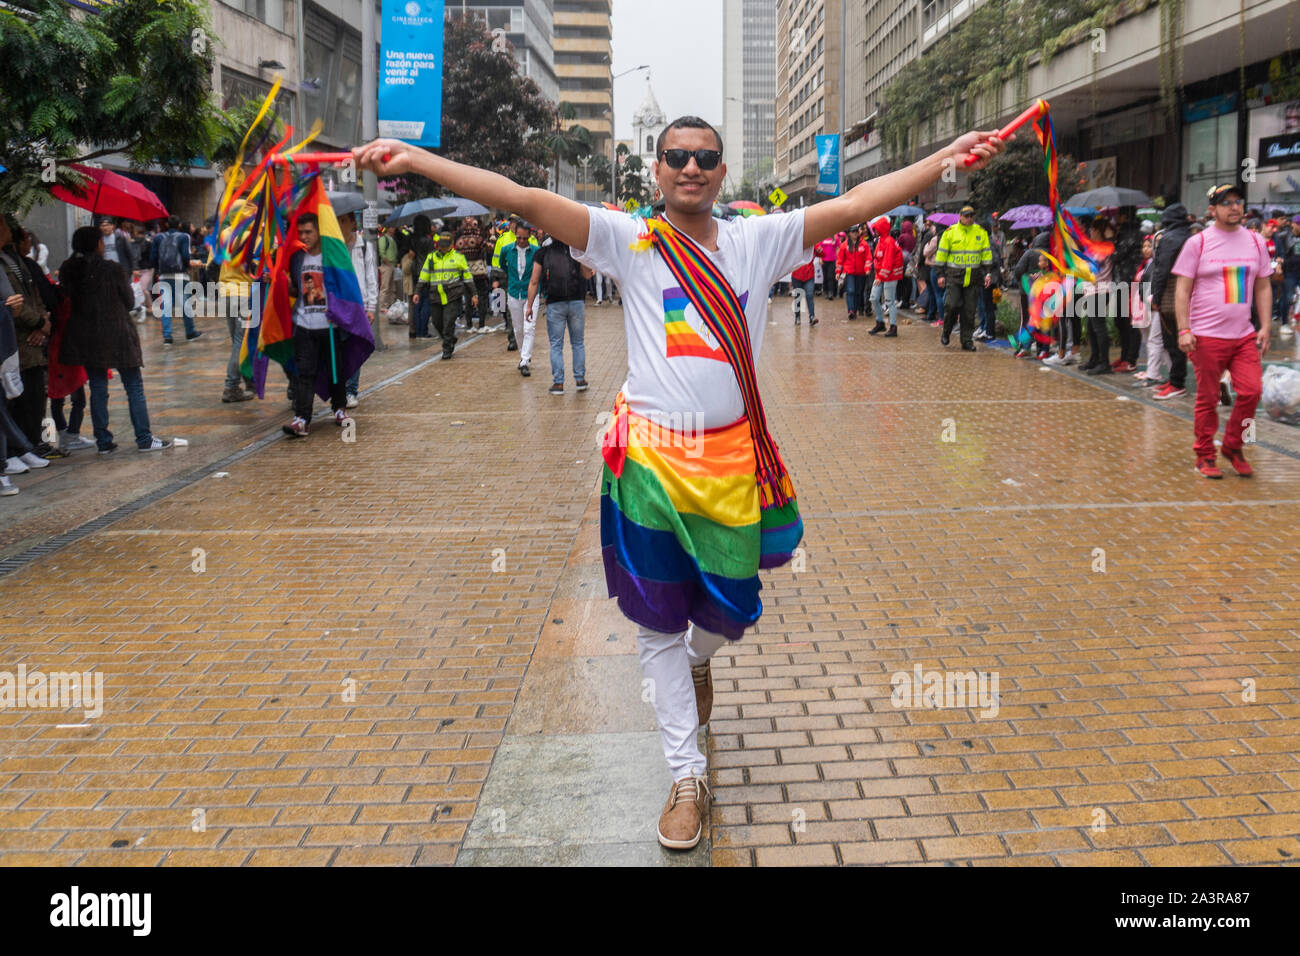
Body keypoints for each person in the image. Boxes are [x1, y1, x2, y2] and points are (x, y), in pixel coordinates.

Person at [355, 110, 1005, 852]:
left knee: (726, 614)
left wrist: (947, 157)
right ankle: (686, 775)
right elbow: (519, 197)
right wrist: (421, 159)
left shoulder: (759, 241)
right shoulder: (630, 242)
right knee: (656, 623)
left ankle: (701, 663)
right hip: (652, 465)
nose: (691, 168)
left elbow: (859, 204)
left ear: (722, 172)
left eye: (705, 157)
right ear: (656, 171)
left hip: (731, 464)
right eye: (676, 157)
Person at [1173, 183, 1272, 478]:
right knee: (1208, 398)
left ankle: (1233, 446)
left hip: (1243, 335)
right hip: (1205, 336)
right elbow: (1182, 289)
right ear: (1212, 210)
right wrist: (1183, 329)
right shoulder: (1198, 243)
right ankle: (1204, 454)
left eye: (1238, 201)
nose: (1234, 207)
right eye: (1226, 203)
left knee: (1253, 391)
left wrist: (1265, 326)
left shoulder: (1255, 242)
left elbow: (1263, 285)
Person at [58, 226, 171, 453]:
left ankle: (103, 442)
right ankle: (144, 438)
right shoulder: (112, 269)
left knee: (99, 388)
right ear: (98, 244)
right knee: (134, 386)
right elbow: (129, 301)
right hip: (118, 335)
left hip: (87, 337)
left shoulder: (69, 270)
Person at [0, 214, 55, 455]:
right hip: (16, 338)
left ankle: (34, 443)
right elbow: (12, 302)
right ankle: (15, 450)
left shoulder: (17, 260)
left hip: (33, 338)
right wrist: (39, 322)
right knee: (16, 398)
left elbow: (33, 295)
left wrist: (43, 324)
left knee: (36, 394)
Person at [528, 234, 593, 393]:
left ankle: (558, 383)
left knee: (556, 345)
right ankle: (580, 380)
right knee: (577, 343)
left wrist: (529, 306)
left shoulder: (542, 253)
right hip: (577, 301)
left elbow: (534, 281)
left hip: (554, 303)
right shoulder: (576, 251)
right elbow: (587, 274)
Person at [1148, 203, 1193, 399]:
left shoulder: (1168, 238)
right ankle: (1175, 379)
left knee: (1171, 340)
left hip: (1170, 293)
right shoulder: (1192, 237)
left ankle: (1177, 383)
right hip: (1190, 293)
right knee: (1179, 339)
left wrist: (1155, 296)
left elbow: (1161, 270)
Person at [936, 204, 992, 350]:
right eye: (966, 216)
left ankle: (967, 341)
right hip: (954, 277)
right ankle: (946, 332)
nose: (969, 218)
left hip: (973, 278)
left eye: (972, 215)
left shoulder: (980, 232)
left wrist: (988, 273)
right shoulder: (950, 232)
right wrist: (940, 275)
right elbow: (941, 255)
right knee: (951, 305)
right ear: (960, 216)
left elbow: (986, 255)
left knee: (969, 311)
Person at [414, 232, 476, 361]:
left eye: (445, 246)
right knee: (437, 322)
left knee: (448, 322)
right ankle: (451, 338)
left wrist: (474, 294)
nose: (443, 248)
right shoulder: (431, 258)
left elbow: (467, 277)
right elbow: (424, 275)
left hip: (453, 295)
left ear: (451, 245)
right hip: (436, 295)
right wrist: (417, 292)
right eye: (441, 246)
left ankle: (447, 348)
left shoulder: (459, 257)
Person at [338, 210, 378, 407]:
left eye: (344, 220)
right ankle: (339, 390)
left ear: (353, 222)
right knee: (339, 349)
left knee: (354, 348)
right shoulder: (332, 246)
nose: (341, 225)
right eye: (338, 221)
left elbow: (371, 277)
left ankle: (350, 390)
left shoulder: (364, 247)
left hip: (359, 305)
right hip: (338, 305)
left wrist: (371, 307)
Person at [148, 215, 202, 345]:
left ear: (167, 225)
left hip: (163, 276)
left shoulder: (158, 238)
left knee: (166, 305)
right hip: (180, 276)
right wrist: (187, 266)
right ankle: (190, 332)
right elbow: (185, 256)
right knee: (185, 304)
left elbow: (152, 258)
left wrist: (159, 269)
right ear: (179, 225)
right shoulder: (184, 237)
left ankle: (167, 337)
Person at [499, 221, 540, 375]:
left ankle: (524, 359)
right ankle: (524, 355)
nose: (521, 241)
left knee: (529, 327)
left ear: (529, 236)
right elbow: (503, 264)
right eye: (518, 238)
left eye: (524, 238)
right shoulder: (506, 250)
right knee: (518, 328)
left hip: (531, 293)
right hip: (514, 292)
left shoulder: (536, 251)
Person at [868, 216, 903, 337]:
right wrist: (879, 275)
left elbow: (887, 262)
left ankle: (893, 327)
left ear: (881, 229)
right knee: (873, 298)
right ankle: (880, 322)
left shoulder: (889, 242)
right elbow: (878, 260)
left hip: (890, 276)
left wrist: (879, 277)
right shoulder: (881, 241)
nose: (874, 231)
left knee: (889, 301)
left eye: (876, 228)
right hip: (882, 276)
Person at [454, 217, 491, 332]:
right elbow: (490, 248)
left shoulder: (459, 241)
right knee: (482, 297)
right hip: (479, 273)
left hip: (466, 274)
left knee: (468, 297)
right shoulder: (478, 239)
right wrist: (492, 238)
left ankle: (469, 325)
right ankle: (481, 324)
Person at [836, 224, 871, 320]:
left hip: (861, 273)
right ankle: (850, 310)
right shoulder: (844, 245)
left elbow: (868, 257)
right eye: (853, 232)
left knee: (858, 292)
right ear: (849, 234)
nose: (855, 233)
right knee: (850, 291)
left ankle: (854, 311)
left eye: (856, 231)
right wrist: (838, 272)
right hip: (849, 272)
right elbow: (840, 260)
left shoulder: (864, 244)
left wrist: (867, 269)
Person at [377, 225, 401, 318]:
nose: (393, 228)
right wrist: (388, 263)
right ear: (388, 228)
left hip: (392, 265)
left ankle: (390, 304)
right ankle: (382, 305)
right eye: (392, 227)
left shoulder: (392, 239)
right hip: (387, 265)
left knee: (392, 287)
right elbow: (382, 252)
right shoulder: (383, 239)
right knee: (385, 286)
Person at [791, 251, 817, 326]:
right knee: (798, 297)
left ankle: (812, 317)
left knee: (809, 295)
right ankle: (797, 317)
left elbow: (822, 254)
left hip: (809, 275)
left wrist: (819, 250)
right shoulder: (795, 244)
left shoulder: (812, 245)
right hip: (797, 275)